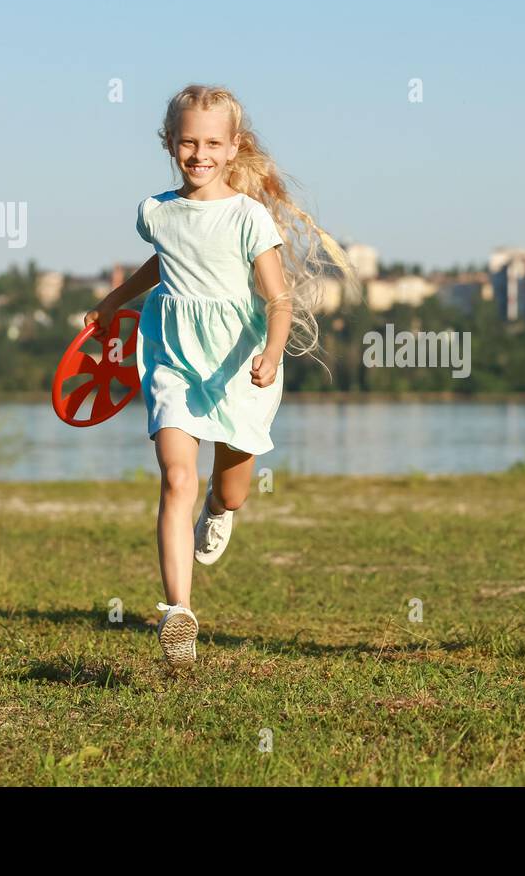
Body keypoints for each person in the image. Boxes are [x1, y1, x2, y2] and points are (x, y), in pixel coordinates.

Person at [86, 84, 355, 667]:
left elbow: (278, 299)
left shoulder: (248, 216)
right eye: (188, 141)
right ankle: (177, 613)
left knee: (228, 485)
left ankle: (223, 506)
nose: (199, 153)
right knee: (174, 478)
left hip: (240, 361)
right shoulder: (156, 211)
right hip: (173, 357)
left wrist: (273, 353)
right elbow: (165, 261)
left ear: (234, 148)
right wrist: (115, 301)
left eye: (212, 142)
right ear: (169, 144)